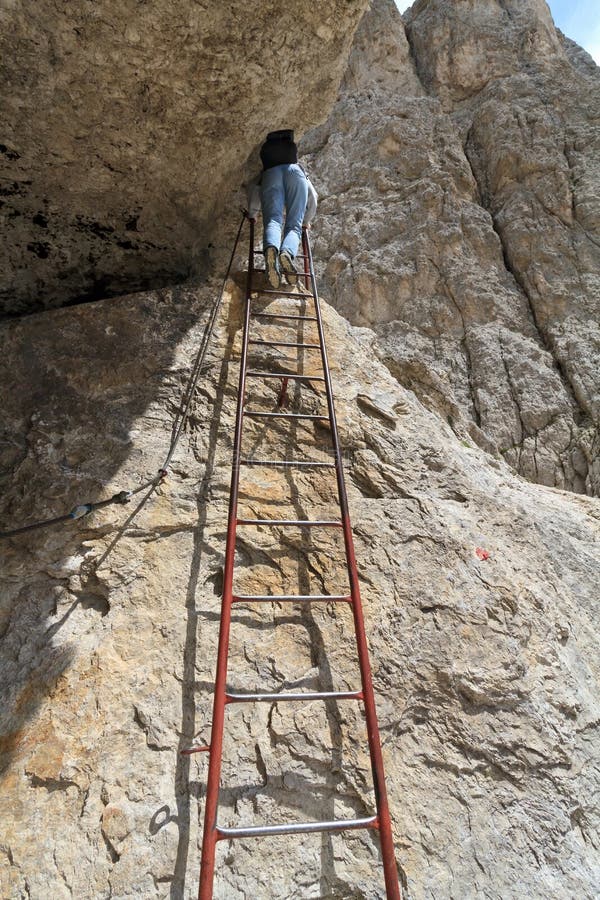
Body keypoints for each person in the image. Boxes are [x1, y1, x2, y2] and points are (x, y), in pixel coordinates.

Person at [247, 129, 318, 288]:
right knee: (294, 226)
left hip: (270, 174)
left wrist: (252, 213)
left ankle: (271, 249)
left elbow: (254, 189)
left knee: (273, 221)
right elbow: (313, 195)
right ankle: (286, 253)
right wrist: (306, 221)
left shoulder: (266, 170)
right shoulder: (297, 166)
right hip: (295, 175)